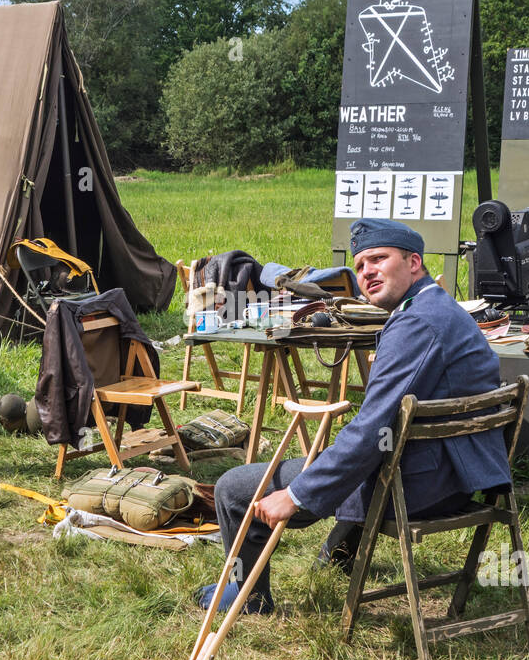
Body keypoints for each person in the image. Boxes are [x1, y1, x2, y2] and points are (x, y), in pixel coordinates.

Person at [198, 218, 511, 614]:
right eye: (360, 266)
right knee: (346, 454)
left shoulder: (416, 323)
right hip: (457, 474)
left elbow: (369, 433)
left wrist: (295, 495)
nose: (367, 273)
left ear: (414, 262)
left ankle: (248, 597)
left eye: (379, 259)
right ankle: (337, 558)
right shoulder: (438, 307)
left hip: (417, 486)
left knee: (232, 487)